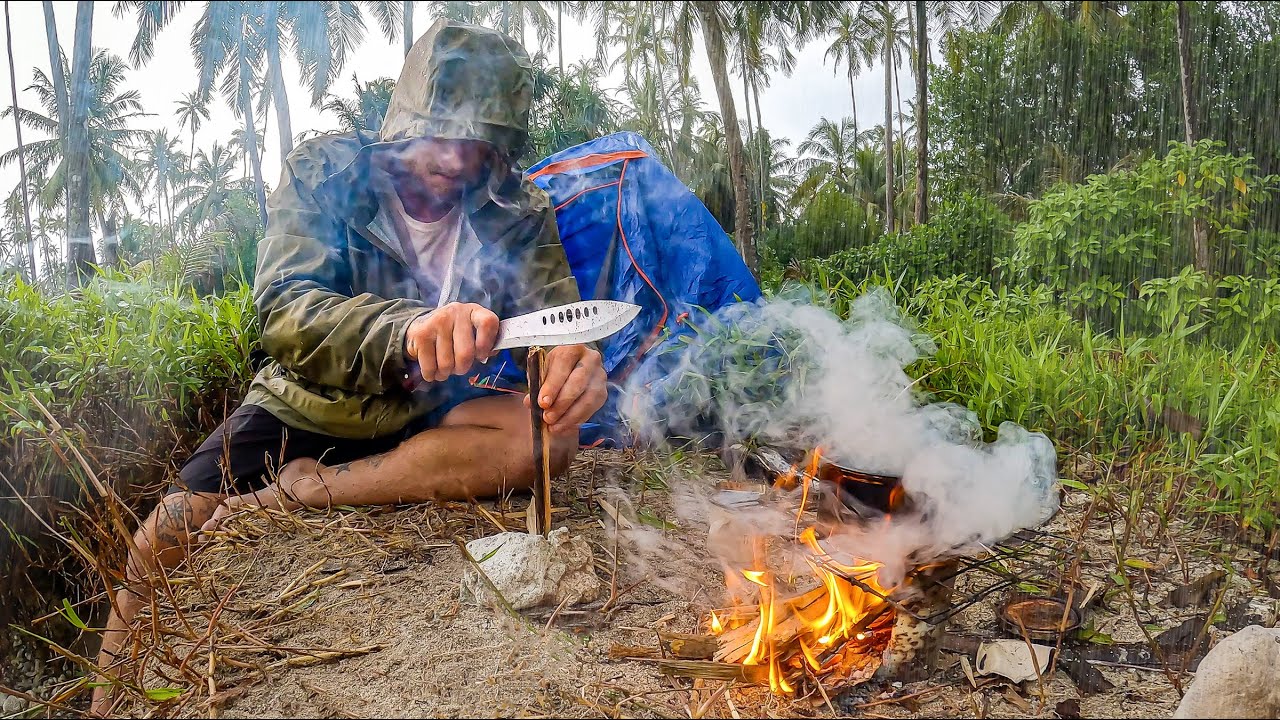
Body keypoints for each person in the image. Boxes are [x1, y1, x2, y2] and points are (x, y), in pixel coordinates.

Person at [90, 20, 606, 714]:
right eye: (439, 134)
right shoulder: (325, 172)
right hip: (308, 401)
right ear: (404, 120)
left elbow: (556, 320)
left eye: (476, 141)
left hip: (428, 411)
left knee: (549, 437)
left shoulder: (517, 207)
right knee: (164, 534)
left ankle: (308, 491)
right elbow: (285, 308)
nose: (454, 160)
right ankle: (105, 698)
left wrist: (572, 365)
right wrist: (406, 331)